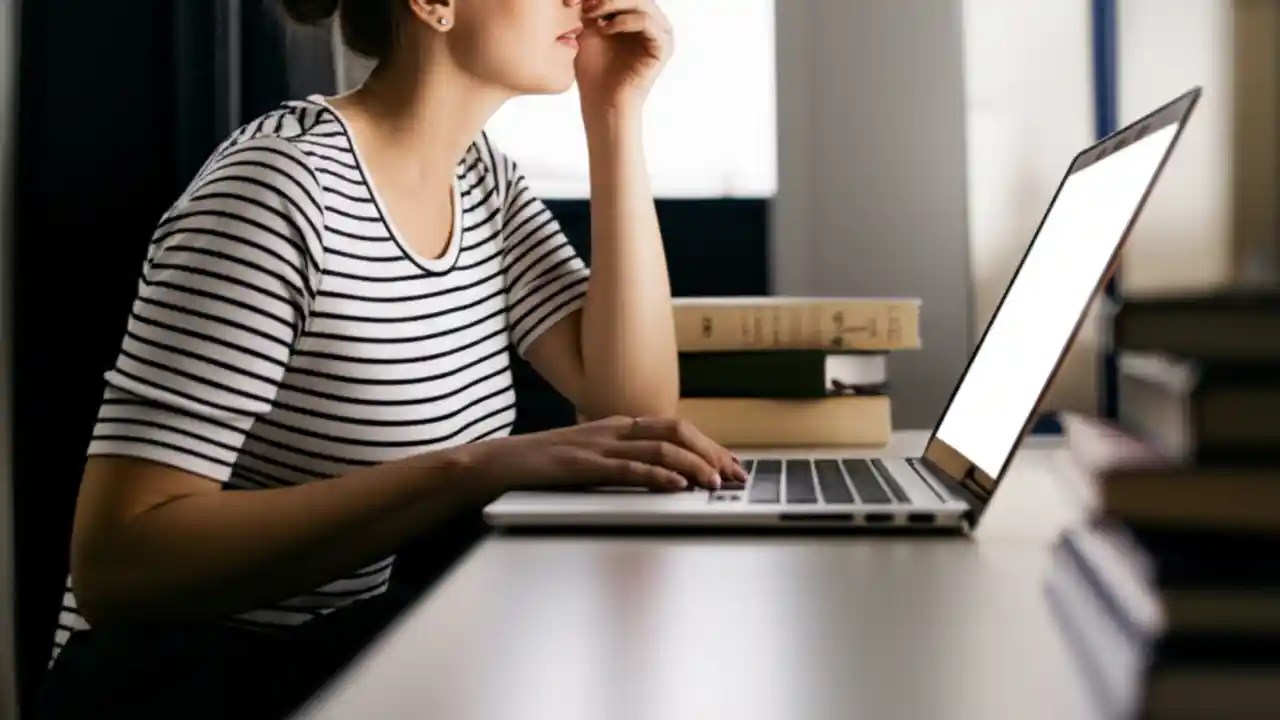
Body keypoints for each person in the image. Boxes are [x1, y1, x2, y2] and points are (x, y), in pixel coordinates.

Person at [37, 0, 748, 716]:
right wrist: (473, 470)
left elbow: (631, 410)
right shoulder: (279, 190)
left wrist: (616, 115)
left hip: (344, 670)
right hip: (189, 690)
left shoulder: (481, 182)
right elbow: (118, 566)